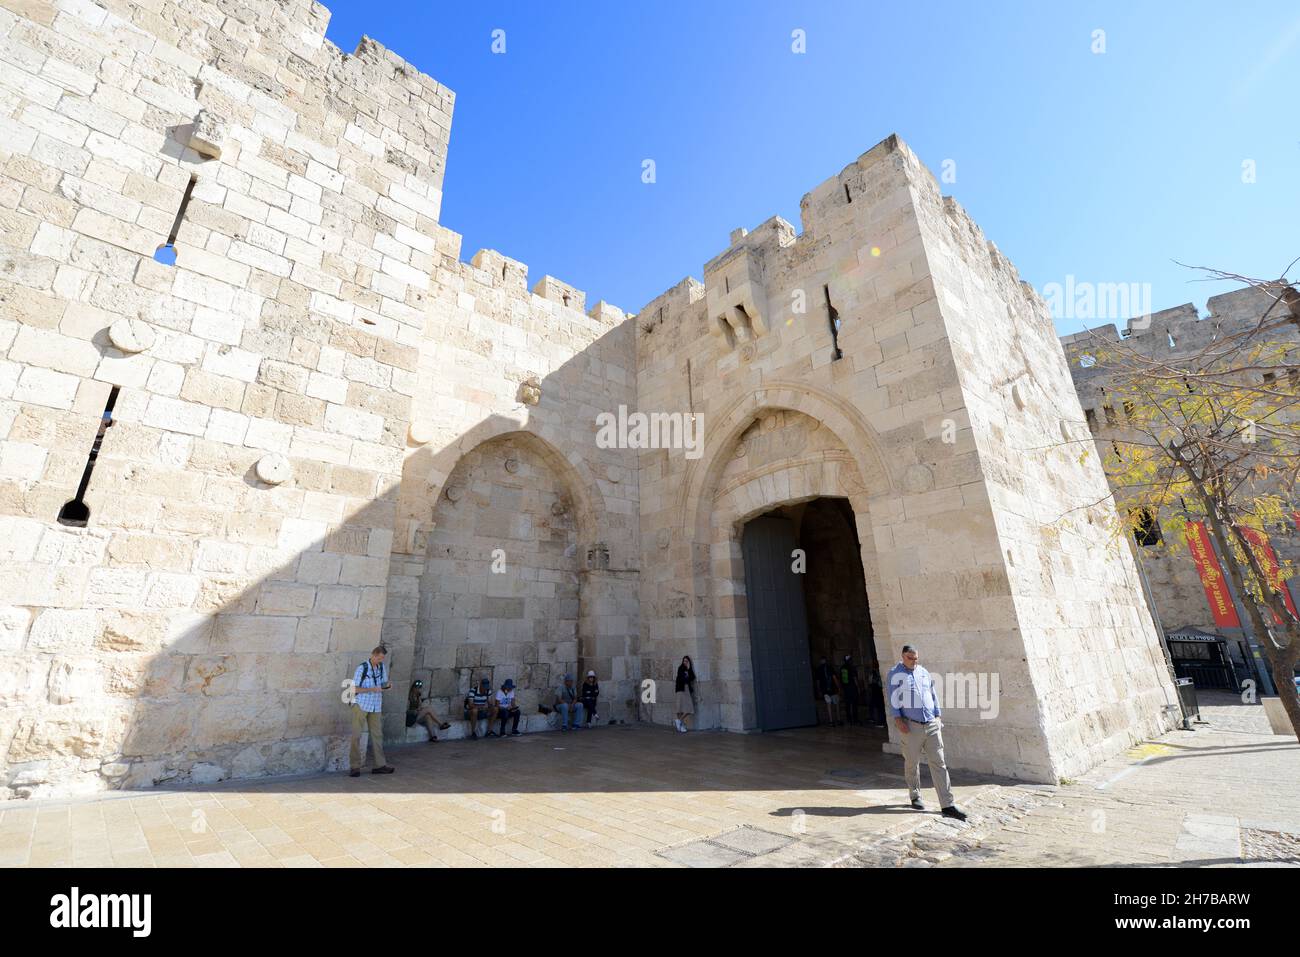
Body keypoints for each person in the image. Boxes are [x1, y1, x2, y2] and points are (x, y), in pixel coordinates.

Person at [886, 645, 966, 821]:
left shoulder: (923, 672)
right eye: (910, 658)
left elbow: (932, 693)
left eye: (916, 658)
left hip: (931, 724)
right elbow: (893, 698)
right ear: (902, 656)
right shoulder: (895, 674)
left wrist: (938, 715)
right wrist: (898, 720)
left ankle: (947, 804)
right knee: (912, 762)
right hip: (910, 726)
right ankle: (915, 795)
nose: (914, 662)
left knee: (939, 763)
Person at [349, 645, 394, 776]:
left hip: (375, 704)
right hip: (361, 704)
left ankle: (380, 765)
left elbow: (383, 682)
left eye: (382, 658)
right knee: (356, 735)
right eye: (379, 658)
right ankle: (355, 767)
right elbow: (353, 689)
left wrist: (388, 685)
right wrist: (370, 689)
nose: (381, 661)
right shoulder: (362, 668)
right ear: (373, 655)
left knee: (377, 735)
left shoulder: (381, 667)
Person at [815, 656, 841, 726]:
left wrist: (819, 690)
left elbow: (817, 681)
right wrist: (838, 687)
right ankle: (838, 720)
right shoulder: (830, 667)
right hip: (833, 689)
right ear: (826, 660)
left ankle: (831, 721)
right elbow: (834, 678)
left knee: (828, 705)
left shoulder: (818, 669)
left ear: (820, 661)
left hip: (824, 690)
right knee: (836, 704)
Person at [674, 656, 696, 733]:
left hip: (686, 690)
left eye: (687, 661)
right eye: (684, 661)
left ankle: (679, 721)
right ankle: (681, 725)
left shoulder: (688, 669)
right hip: (680, 689)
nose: (685, 662)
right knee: (679, 708)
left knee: (689, 708)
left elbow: (692, 678)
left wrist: (689, 669)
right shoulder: (681, 668)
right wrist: (687, 675)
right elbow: (683, 679)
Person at [840, 654, 862, 726]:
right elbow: (855, 678)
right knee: (854, 704)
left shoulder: (842, 668)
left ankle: (849, 719)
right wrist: (858, 687)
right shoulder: (852, 668)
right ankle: (855, 719)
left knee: (847, 704)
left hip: (845, 688)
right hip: (852, 688)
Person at [865, 661, 886, 726]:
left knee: (879, 707)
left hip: (876, 691)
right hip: (877, 691)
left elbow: (871, 682)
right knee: (876, 706)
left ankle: (881, 722)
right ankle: (876, 719)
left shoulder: (874, 673)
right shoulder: (878, 672)